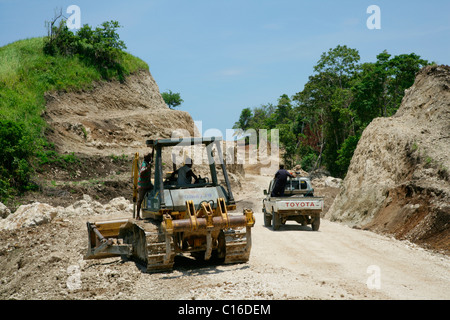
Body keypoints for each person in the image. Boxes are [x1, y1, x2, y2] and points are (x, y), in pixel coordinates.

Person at [136, 153, 154, 220]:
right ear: (147, 158)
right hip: (143, 185)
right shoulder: (144, 164)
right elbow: (142, 172)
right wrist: (147, 168)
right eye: (149, 157)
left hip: (148, 184)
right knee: (140, 200)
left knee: (155, 191)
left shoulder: (147, 163)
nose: (150, 158)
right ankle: (137, 216)